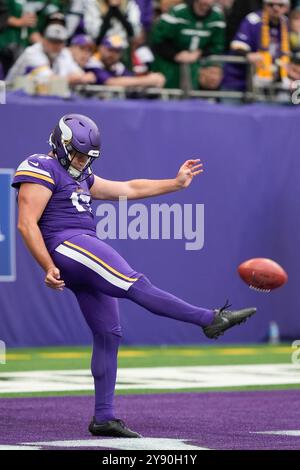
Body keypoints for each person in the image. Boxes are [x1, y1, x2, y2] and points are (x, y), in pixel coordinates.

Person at [12, 114, 256, 438]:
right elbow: (26, 223)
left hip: (81, 251)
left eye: (88, 156)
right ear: (60, 143)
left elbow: (128, 188)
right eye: (78, 153)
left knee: (109, 333)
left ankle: (104, 417)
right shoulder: (41, 166)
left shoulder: (83, 175)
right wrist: (47, 264)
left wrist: (175, 183)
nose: (82, 161)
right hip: (67, 244)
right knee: (133, 282)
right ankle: (209, 319)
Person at [151, 0, 226, 90]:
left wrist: (199, 53)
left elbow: (218, 45)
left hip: (197, 65)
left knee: (210, 77)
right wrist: (176, 55)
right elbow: (158, 40)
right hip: (169, 63)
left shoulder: (217, 16)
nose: (207, 2)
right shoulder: (177, 12)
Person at [223, 0, 290, 92]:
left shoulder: (286, 23)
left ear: (287, 8)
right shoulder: (253, 20)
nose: (276, 8)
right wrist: (249, 54)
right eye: (271, 5)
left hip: (273, 84)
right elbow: (237, 45)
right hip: (239, 79)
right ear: (264, 6)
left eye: (280, 5)